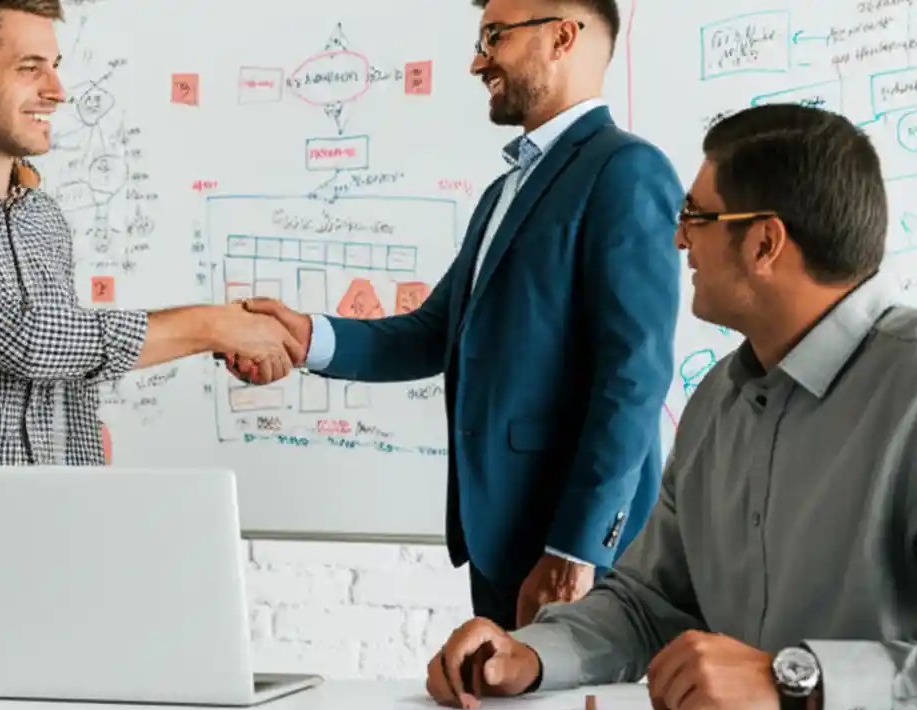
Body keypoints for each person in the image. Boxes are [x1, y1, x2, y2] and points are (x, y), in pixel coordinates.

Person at [425, 103, 917, 710]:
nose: (678, 239)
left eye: (696, 216)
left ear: (764, 243)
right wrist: (530, 653)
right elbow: (650, 601)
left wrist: (799, 685)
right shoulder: (717, 403)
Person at [0, 0, 301, 640]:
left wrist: (90, 515)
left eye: (54, 65)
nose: (58, 89)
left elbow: (66, 374)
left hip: (50, 537)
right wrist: (215, 325)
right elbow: (25, 340)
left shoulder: (41, 217)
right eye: (30, 68)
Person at [234, 0, 681, 630]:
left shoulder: (625, 171)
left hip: (572, 552)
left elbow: (634, 377)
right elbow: (434, 332)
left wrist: (577, 548)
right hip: (501, 540)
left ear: (561, 37)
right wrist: (307, 339)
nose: (477, 61)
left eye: (493, 37)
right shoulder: (506, 190)